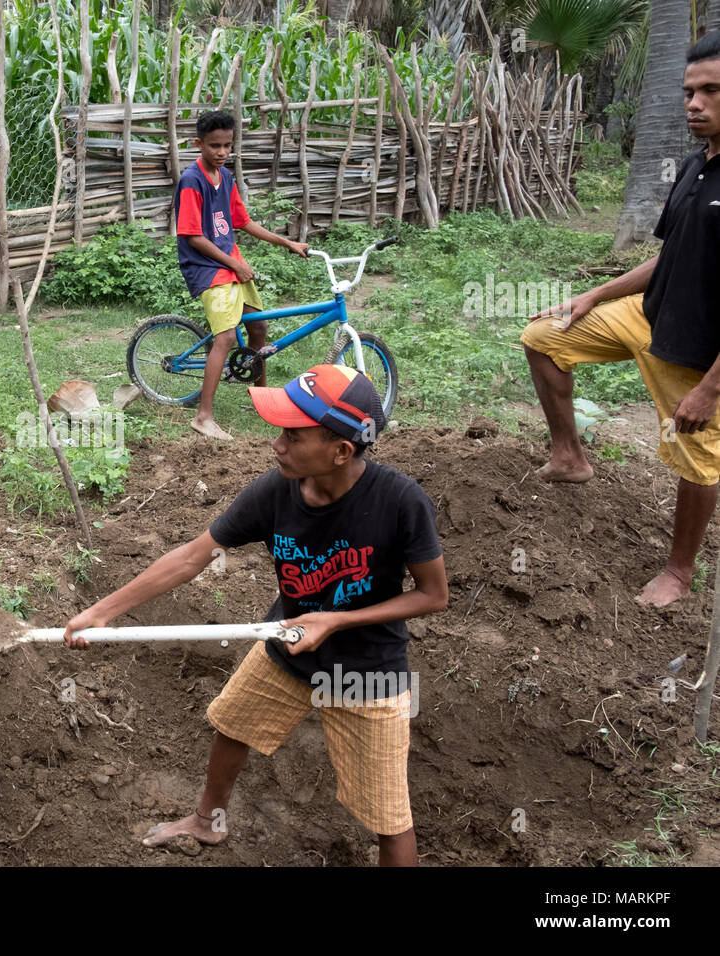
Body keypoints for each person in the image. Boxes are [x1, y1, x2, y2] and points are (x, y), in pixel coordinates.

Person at [63, 366, 448, 866]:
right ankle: (207, 822)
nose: (277, 444)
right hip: (286, 642)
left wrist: (334, 620)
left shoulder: (400, 502)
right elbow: (190, 557)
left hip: (365, 668)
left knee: (389, 818)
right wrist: (102, 610)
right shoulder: (275, 491)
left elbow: (432, 595)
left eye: (293, 433)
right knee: (233, 725)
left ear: (341, 451)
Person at [524, 30, 720, 608]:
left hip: (697, 349)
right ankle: (570, 457)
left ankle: (679, 572)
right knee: (543, 337)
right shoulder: (695, 164)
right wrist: (594, 296)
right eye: (689, 91)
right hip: (648, 314)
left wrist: (710, 388)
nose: (694, 103)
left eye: (712, 91)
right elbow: (668, 254)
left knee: (697, 455)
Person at [175, 110, 310, 441]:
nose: (222, 153)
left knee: (259, 326)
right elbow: (193, 236)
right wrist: (235, 265)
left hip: (230, 265)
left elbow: (243, 222)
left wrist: (286, 242)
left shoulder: (227, 178)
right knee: (224, 338)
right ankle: (203, 417)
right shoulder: (192, 181)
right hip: (208, 269)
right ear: (199, 144)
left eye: (227, 146)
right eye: (214, 146)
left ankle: (261, 397)